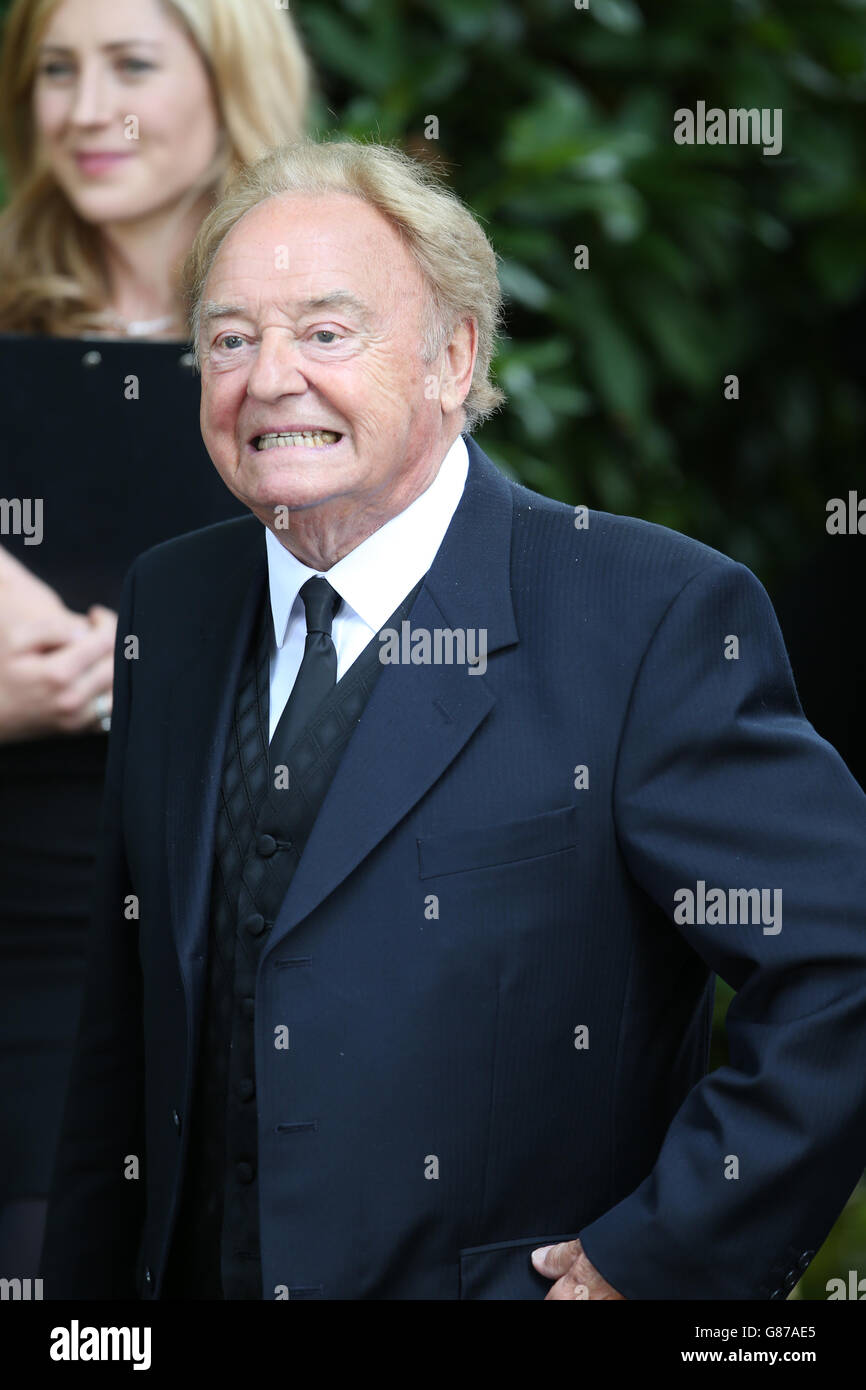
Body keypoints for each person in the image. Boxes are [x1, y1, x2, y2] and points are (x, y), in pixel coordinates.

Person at [41, 138, 866, 1301]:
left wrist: (661, 1260)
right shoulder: (172, 606)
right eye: (229, 339)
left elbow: (843, 963)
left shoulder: (647, 615)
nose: (268, 377)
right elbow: (122, 1043)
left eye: (326, 333)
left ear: (452, 355)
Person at [0, 0, 310, 1278]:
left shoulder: (314, 352)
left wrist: (145, 669)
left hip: (222, 943)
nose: (84, 108)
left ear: (227, 80)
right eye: (54, 69)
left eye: (129, 63)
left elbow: (424, 631)